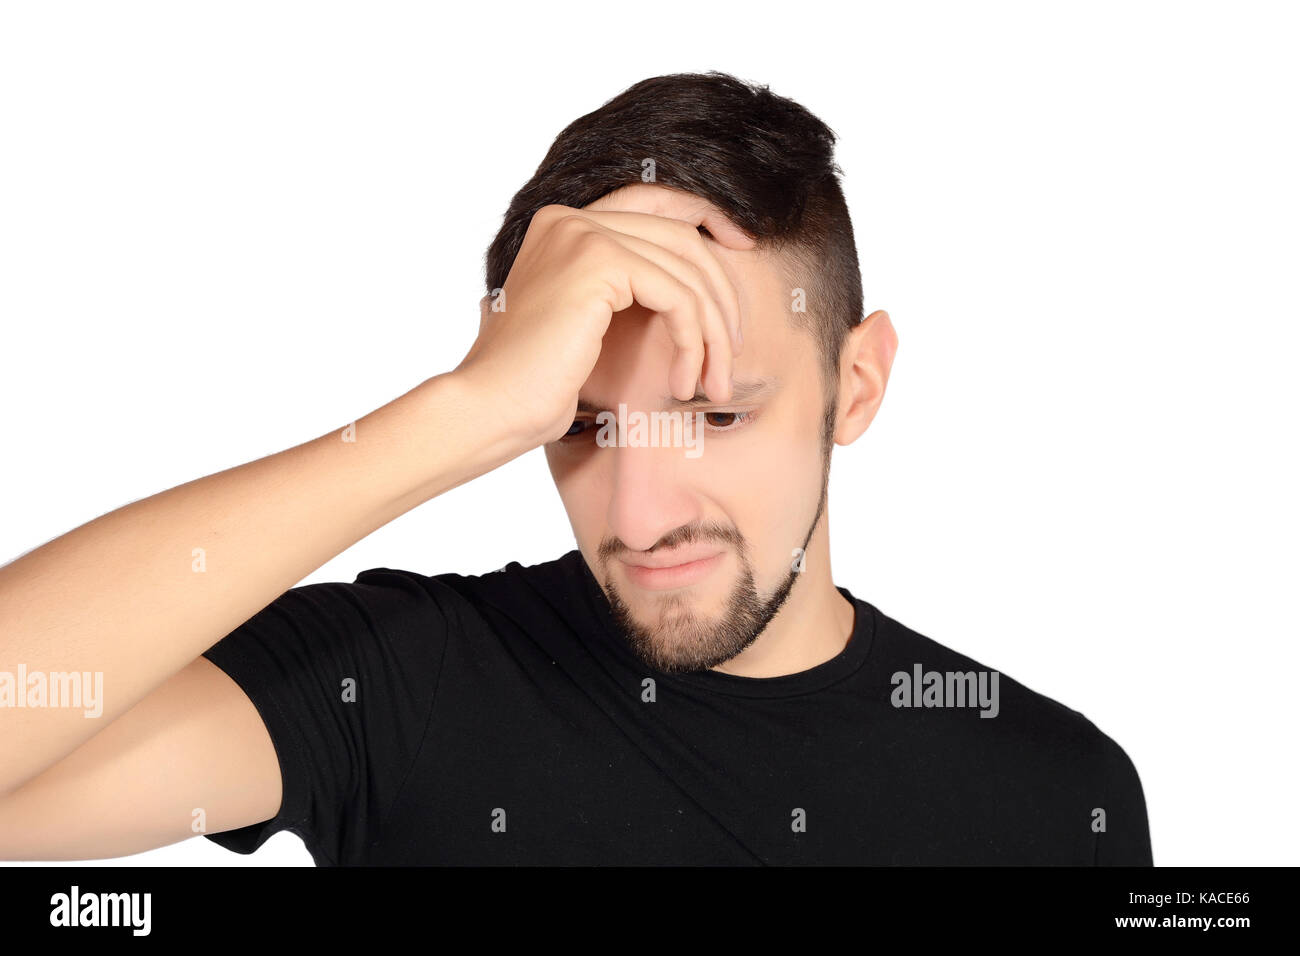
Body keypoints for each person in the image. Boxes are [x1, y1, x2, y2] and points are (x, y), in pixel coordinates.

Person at [0, 72, 1151, 865]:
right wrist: (463, 409)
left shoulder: (1056, 793)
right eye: (584, 426)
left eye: (712, 413)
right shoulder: (399, 683)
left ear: (856, 386)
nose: (639, 517)